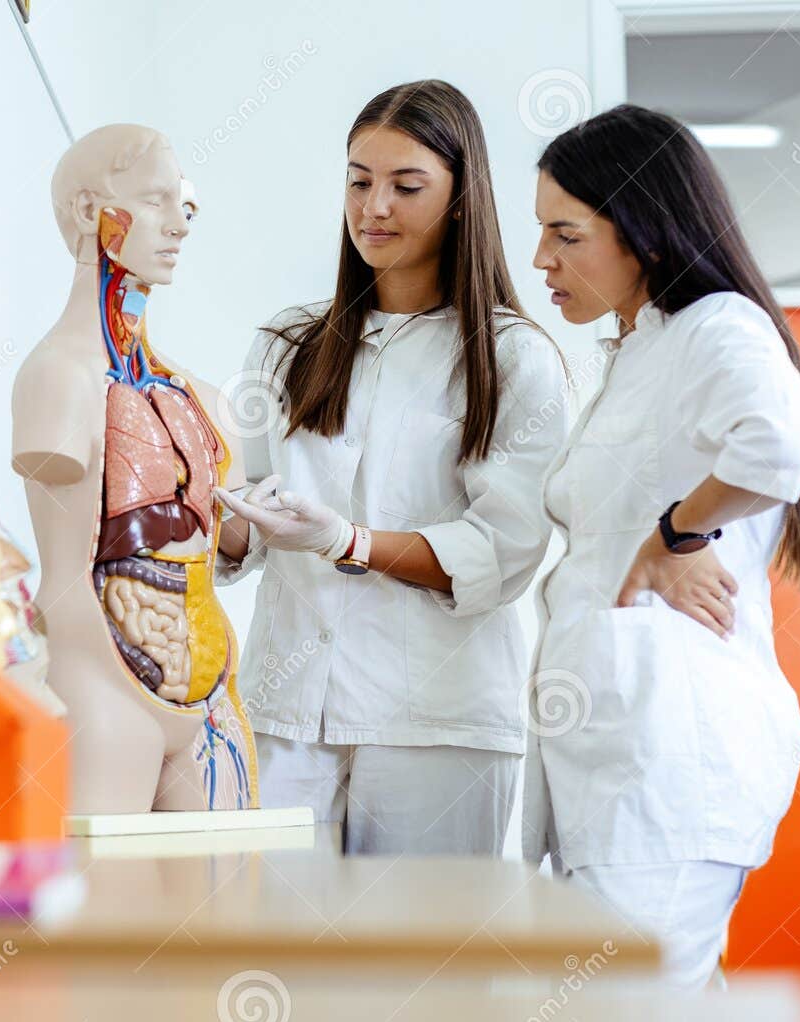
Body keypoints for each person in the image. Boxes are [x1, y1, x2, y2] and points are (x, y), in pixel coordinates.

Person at [214, 80, 568, 855]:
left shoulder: (513, 358)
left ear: (461, 199)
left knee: (423, 967)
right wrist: (220, 520)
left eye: (406, 186)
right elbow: (249, 515)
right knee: (269, 952)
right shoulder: (287, 342)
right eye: (358, 180)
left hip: (436, 724)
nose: (374, 207)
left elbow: (500, 556)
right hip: (285, 712)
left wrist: (350, 540)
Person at [523, 104, 800, 987]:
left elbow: (784, 442)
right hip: (612, 771)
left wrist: (677, 533)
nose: (542, 258)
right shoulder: (640, 351)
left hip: (665, 766)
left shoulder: (716, 326)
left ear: (645, 231)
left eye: (565, 233)